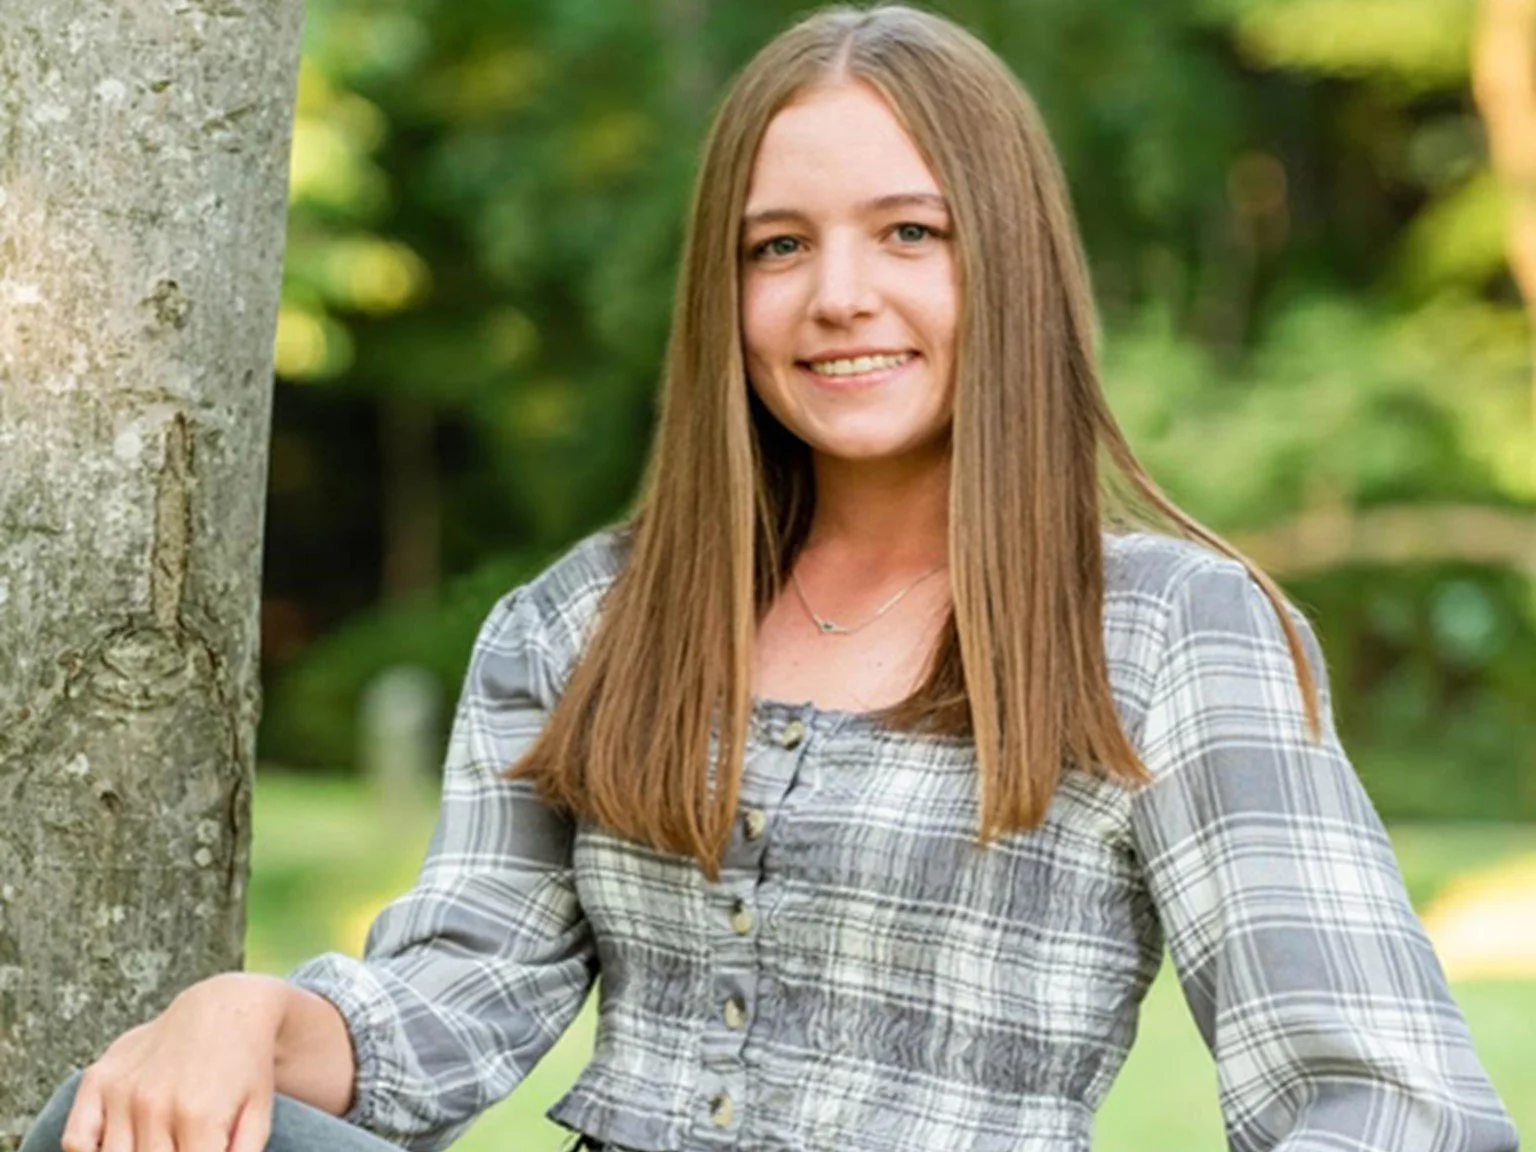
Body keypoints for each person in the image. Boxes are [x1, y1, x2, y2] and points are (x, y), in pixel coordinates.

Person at [24, 5, 1518, 1152]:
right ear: (721, 295)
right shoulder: (585, 623)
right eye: (777, 245)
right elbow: (446, 1013)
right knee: (98, 1124)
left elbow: (1381, 1096)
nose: (839, 295)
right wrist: (236, 1017)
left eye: (910, 233)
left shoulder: (1174, 633)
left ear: (1008, 264)